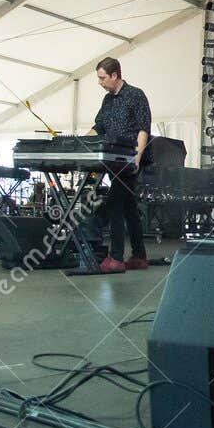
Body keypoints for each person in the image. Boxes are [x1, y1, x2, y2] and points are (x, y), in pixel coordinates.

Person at [90, 57, 152, 273]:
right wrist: (82, 143)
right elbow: (99, 127)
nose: (99, 82)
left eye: (102, 78)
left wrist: (137, 158)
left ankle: (116, 258)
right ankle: (139, 256)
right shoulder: (107, 100)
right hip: (113, 160)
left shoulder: (135, 95)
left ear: (115, 75)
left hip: (130, 159)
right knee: (129, 208)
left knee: (115, 203)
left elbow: (143, 128)